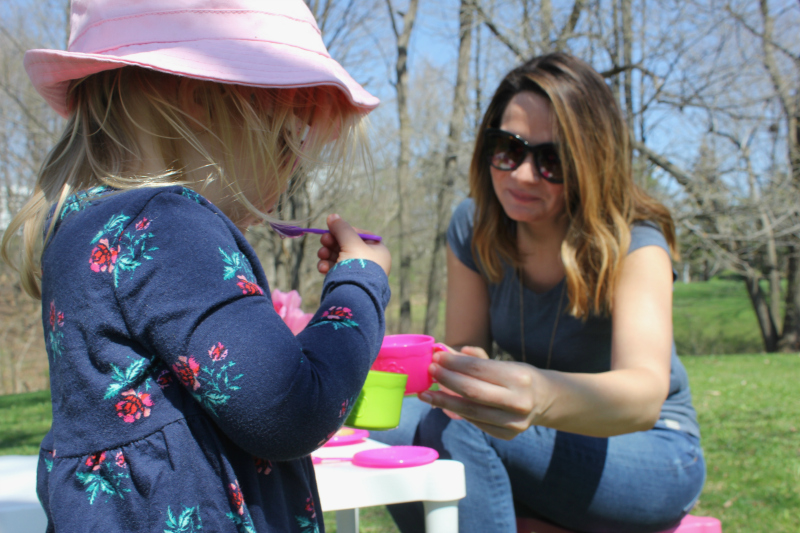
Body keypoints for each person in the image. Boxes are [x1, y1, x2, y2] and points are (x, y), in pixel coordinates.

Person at [0, 1, 391, 531]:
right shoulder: (166, 225)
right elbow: (291, 409)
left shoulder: (85, 228)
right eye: (288, 135)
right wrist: (361, 284)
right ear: (202, 99)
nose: (294, 164)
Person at [371, 53, 705, 533]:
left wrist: (541, 396)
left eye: (553, 160)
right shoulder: (473, 226)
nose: (523, 175)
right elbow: (465, 346)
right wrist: (468, 369)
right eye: (508, 149)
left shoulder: (635, 243)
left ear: (591, 163)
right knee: (397, 429)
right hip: (544, 439)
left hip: (654, 452)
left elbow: (644, 397)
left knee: (462, 431)